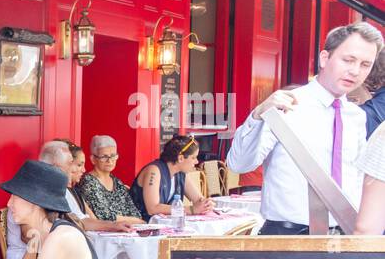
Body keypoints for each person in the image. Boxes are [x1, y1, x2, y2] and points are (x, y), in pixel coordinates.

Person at [228, 21, 382, 235]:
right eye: (348, 60)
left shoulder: (356, 116)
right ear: (324, 58)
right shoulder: (288, 105)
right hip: (287, 236)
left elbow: (356, 179)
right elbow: (239, 164)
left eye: (365, 65)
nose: (355, 71)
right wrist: (258, 115)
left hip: (344, 236)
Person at [132, 135, 212, 220]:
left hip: (163, 226)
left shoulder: (180, 173)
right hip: (139, 225)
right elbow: (152, 208)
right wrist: (191, 209)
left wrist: (206, 204)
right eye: (193, 157)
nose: (197, 161)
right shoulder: (154, 171)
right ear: (180, 158)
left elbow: (198, 199)